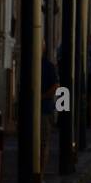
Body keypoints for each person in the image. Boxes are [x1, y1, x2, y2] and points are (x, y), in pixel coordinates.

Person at [40, 40, 59, 174]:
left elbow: (55, 86)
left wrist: (42, 97)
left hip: (45, 110)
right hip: (34, 110)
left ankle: (40, 174)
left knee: (43, 143)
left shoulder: (49, 66)